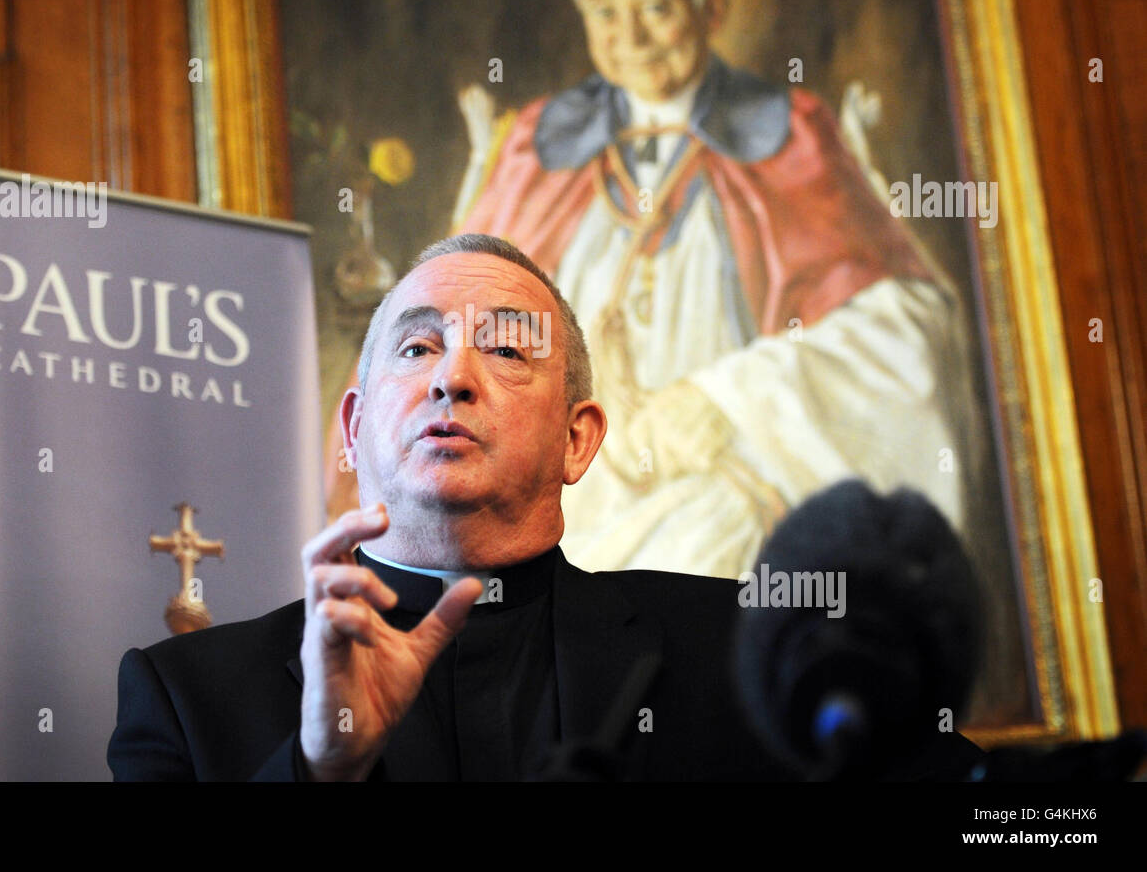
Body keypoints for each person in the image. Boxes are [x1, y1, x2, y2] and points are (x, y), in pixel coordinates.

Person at [108, 233, 982, 781]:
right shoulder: (187, 697)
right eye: (417, 346)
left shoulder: (745, 649)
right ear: (355, 424)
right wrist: (318, 769)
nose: (453, 375)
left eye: (507, 350)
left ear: (578, 438)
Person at [326, 0, 983, 584]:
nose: (632, 36)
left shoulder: (791, 136)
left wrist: (728, 400)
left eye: (657, 7)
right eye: (607, 13)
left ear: (712, 6)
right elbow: (450, 312)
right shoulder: (536, 144)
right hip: (570, 491)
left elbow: (909, 335)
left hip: (721, 481)